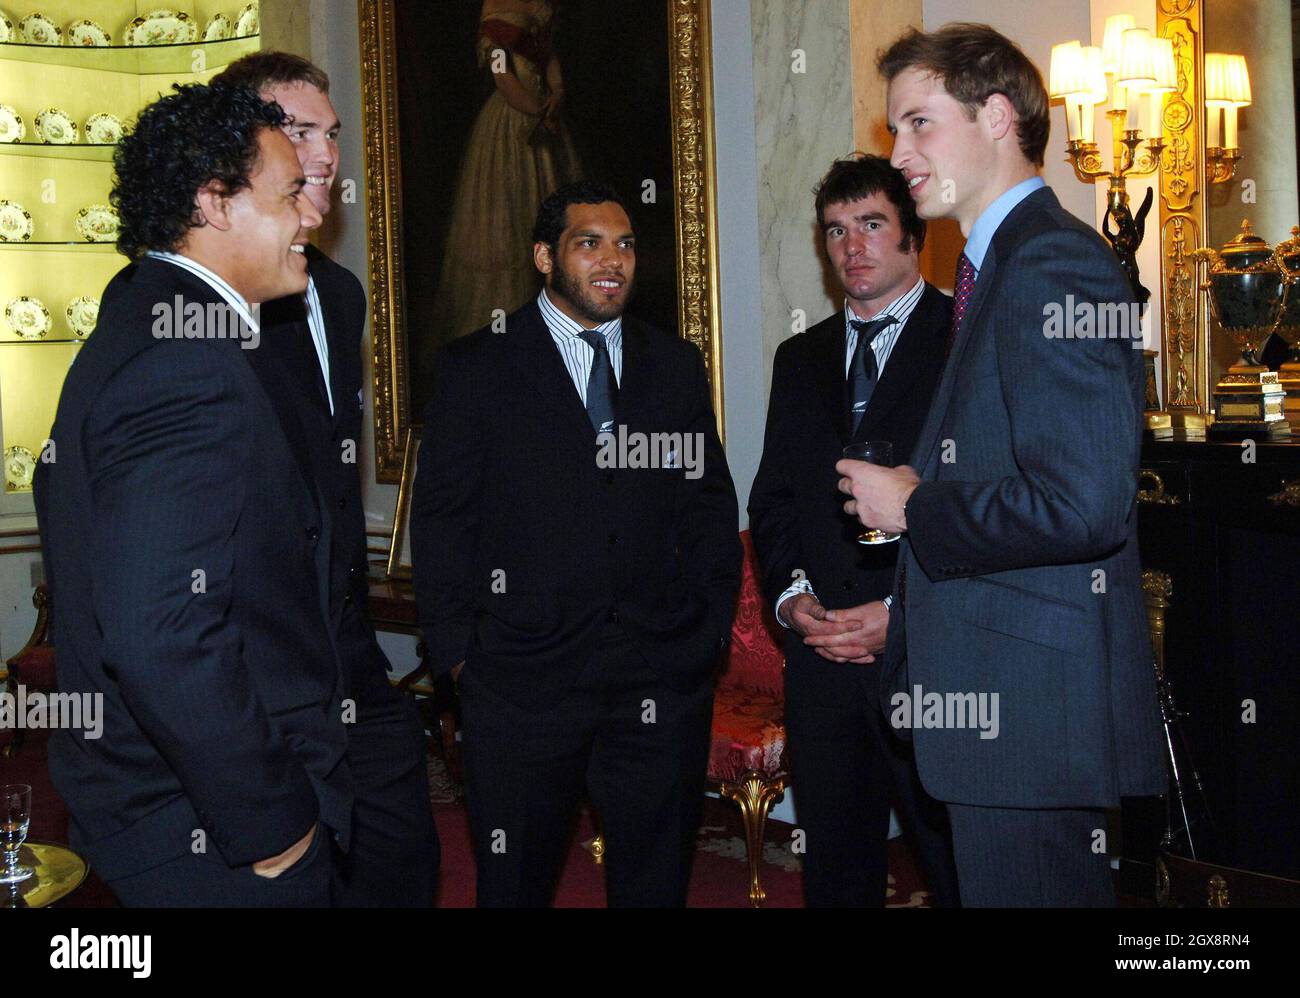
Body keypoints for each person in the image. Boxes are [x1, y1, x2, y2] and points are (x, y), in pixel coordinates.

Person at [835, 23, 1166, 907]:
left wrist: (918, 507)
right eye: (894, 129)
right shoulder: (1003, 266)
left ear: (994, 117)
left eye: (917, 123)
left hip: (1030, 720)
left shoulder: (1053, 264)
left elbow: (1085, 504)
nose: (899, 154)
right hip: (1006, 718)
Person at [34, 82, 341, 906]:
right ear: (213, 203)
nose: (313, 215)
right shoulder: (185, 364)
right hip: (205, 830)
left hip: (164, 810)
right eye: (288, 196)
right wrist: (274, 824)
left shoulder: (146, 319)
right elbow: (160, 635)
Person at [411, 182, 741, 907]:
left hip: (658, 675)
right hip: (520, 681)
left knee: (655, 881)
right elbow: (442, 523)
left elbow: (709, 508)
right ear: (543, 256)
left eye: (624, 244)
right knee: (515, 882)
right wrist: (459, 653)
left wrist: (708, 628)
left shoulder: (673, 366)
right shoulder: (478, 367)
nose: (612, 260)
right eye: (588, 242)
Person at [213, 52, 440, 907]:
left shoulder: (339, 294)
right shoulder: (207, 299)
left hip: (345, 646)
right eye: (297, 130)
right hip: (253, 653)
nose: (323, 156)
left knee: (401, 856)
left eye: (331, 134)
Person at [748, 153, 959, 907]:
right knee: (837, 877)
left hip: (937, 663)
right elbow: (772, 501)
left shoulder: (964, 343)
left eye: (872, 225)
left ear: (914, 237)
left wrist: (897, 617)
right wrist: (790, 598)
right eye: (836, 230)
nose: (852, 247)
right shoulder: (797, 359)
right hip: (821, 669)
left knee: (960, 871)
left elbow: (983, 508)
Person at [425, 0, 581, 380]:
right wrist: (534, 109)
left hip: (542, 115)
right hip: (511, 121)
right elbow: (501, 72)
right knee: (504, 224)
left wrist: (556, 92)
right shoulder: (494, 6)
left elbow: (547, 57)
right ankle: (501, 342)